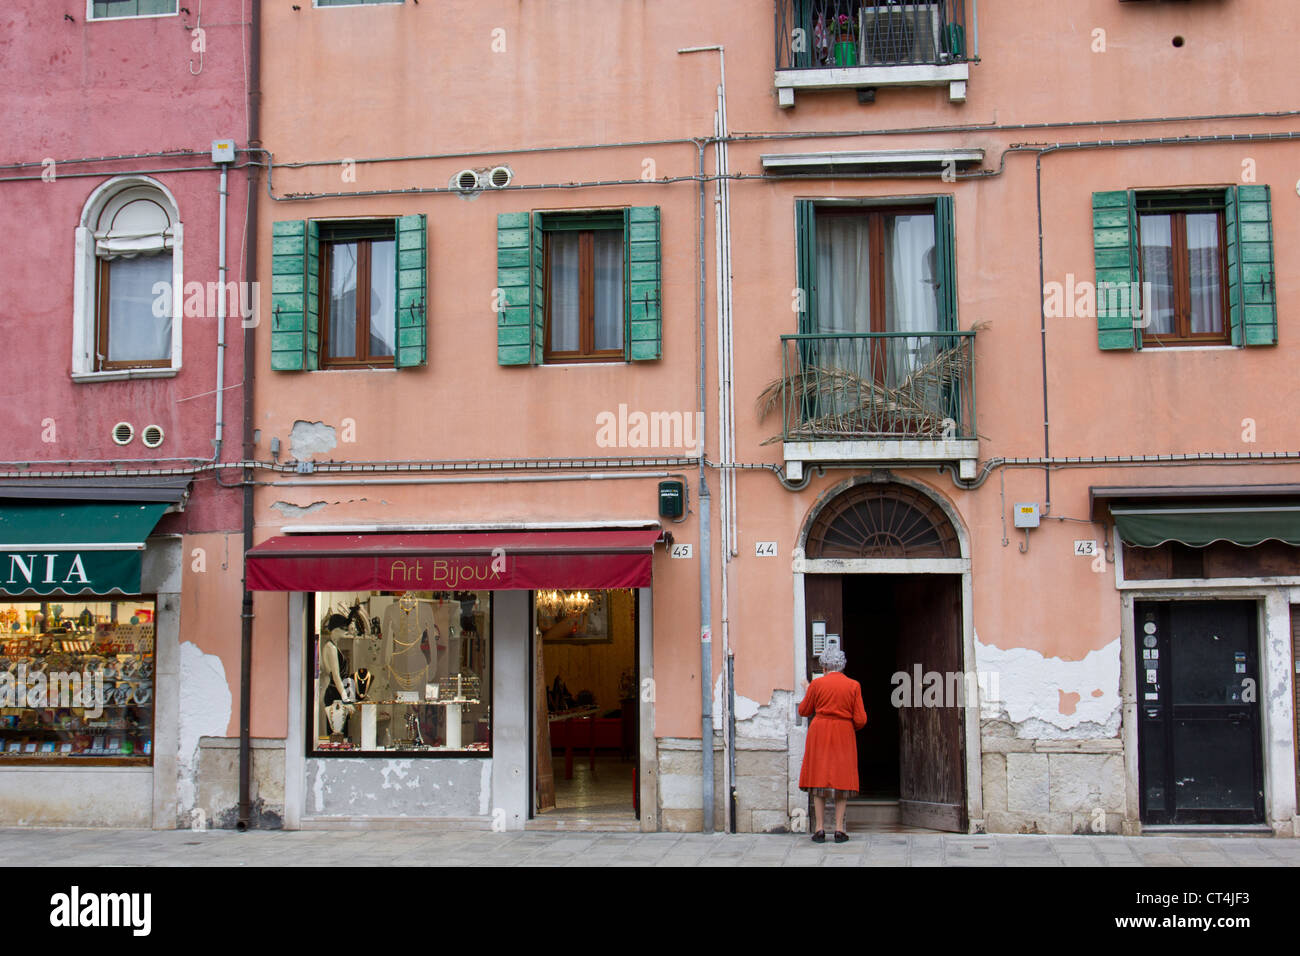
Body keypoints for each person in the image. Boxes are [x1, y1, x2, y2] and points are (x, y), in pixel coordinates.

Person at [797, 647, 867, 843]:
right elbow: (861, 719)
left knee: (819, 779)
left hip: (819, 732)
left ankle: (819, 829)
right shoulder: (853, 685)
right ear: (842, 665)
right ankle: (839, 829)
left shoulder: (817, 685)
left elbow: (804, 710)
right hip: (843, 733)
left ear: (824, 666)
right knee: (842, 779)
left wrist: (808, 689)